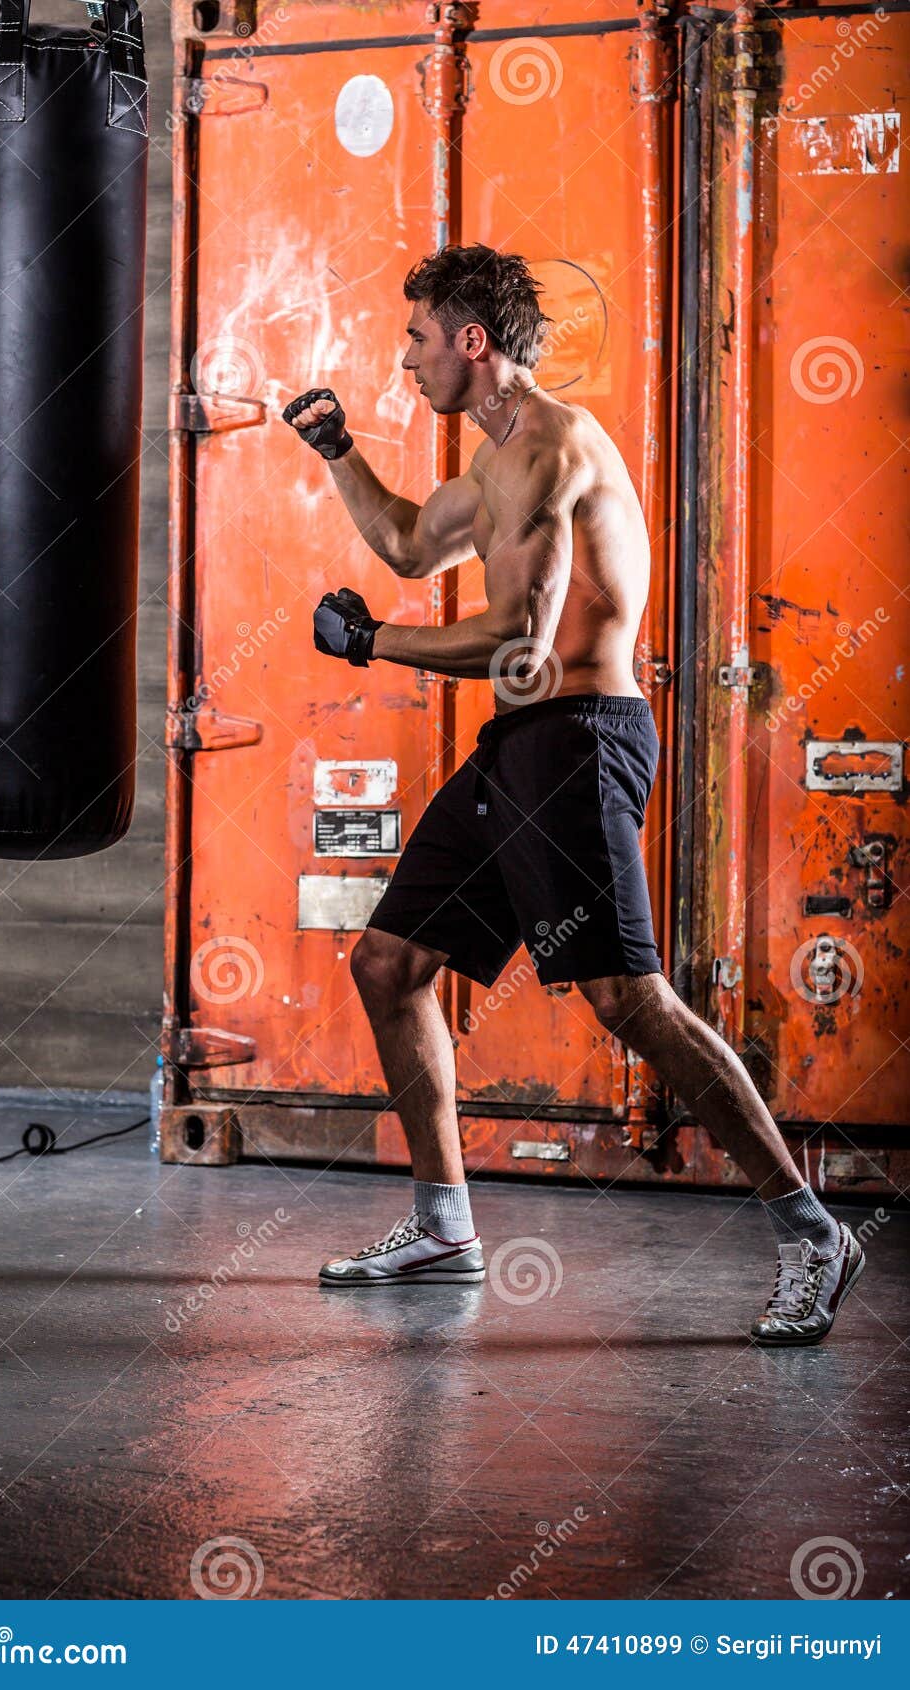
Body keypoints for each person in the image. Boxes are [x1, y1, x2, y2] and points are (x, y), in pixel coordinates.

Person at [282, 243, 863, 1345]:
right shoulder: (494, 463)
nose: (401, 359)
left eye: (415, 338)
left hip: (578, 742)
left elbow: (516, 639)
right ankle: (443, 1226)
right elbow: (409, 542)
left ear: (470, 342)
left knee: (627, 1003)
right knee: (389, 962)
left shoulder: (550, 450)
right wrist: (336, 451)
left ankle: (808, 1232)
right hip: (520, 747)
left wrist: (372, 644)